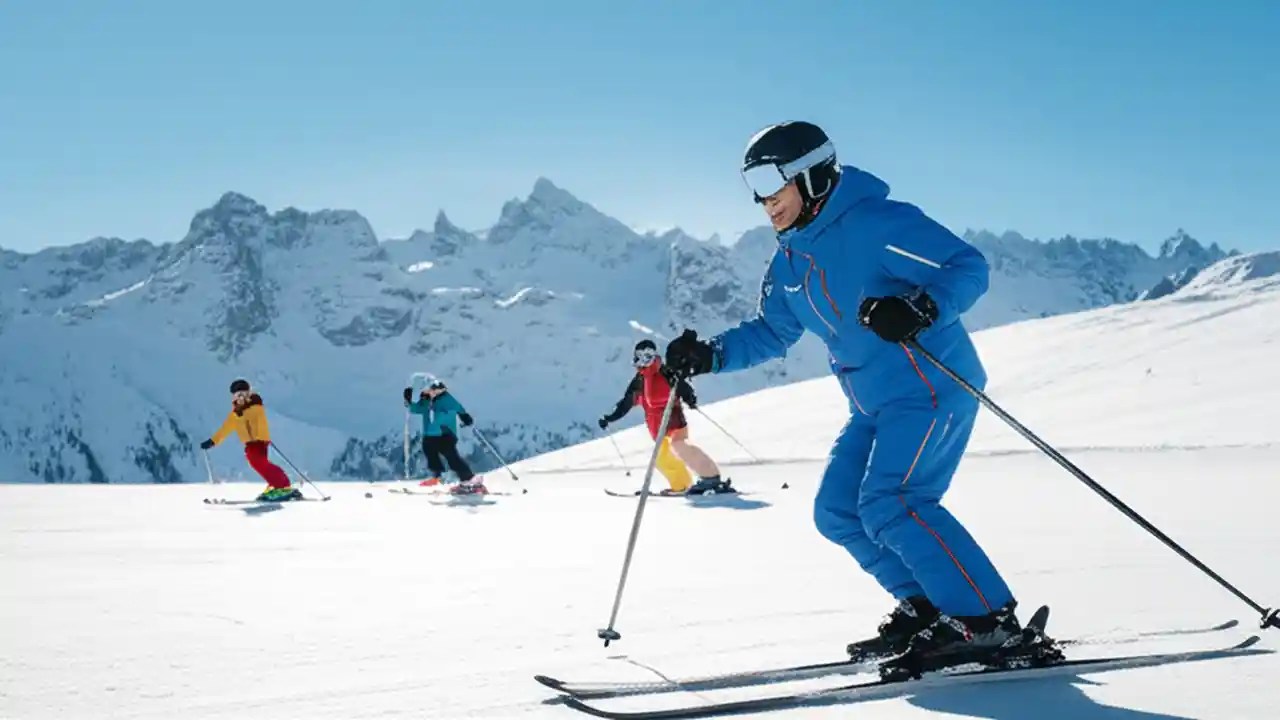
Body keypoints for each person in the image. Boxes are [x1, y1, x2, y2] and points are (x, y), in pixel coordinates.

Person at [663, 121, 1028, 667]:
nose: (764, 200)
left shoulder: (877, 223)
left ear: (810, 174)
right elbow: (772, 332)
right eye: (753, 185)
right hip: (872, 404)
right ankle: (929, 607)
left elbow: (967, 266)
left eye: (771, 180)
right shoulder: (789, 260)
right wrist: (710, 355)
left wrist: (922, 307)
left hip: (930, 386)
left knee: (894, 502)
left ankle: (984, 622)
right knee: (838, 511)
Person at [598, 339, 731, 496]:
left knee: (679, 445)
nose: (643, 360)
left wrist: (690, 398)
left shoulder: (666, 372)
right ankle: (681, 485)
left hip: (673, 418)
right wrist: (610, 417)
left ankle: (711, 478)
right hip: (656, 426)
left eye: (647, 355)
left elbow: (682, 385)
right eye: (640, 355)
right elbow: (626, 403)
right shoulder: (640, 380)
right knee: (661, 459)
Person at [200, 379, 301, 502]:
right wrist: (212, 441)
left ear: (249, 394)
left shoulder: (255, 407)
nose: (241, 397)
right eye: (238, 395)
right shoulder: (235, 414)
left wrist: (263, 438)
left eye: (244, 394)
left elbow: (262, 422)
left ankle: (282, 484)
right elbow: (224, 430)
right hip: (249, 444)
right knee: (258, 464)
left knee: (259, 463)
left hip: (259, 442)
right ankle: (276, 483)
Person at [402, 377, 485, 495]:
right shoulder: (427, 400)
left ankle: (470, 480)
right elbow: (417, 409)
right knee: (429, 450)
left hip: (445, 433)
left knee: (451, 456)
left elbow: (457, 407)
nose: (423, 393)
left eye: (425, 391)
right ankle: (438, 476)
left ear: (434, 390)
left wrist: (464, 416)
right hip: (430, 433)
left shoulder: (446, 399)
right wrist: (408, 402)